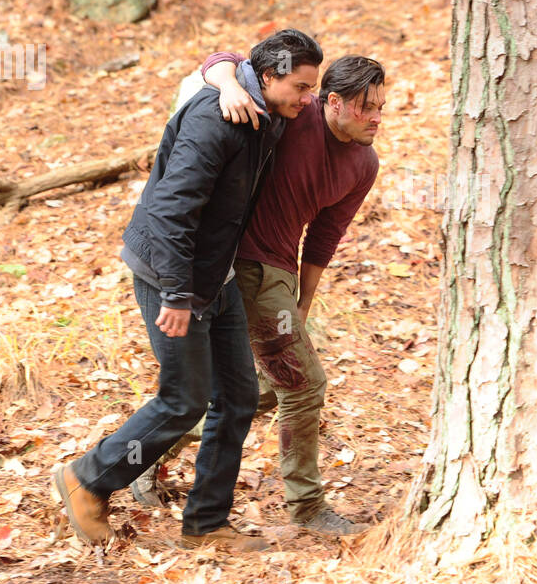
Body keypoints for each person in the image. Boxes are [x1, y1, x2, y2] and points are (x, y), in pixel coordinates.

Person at [52, 29, 323, 551]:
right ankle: (86, 479)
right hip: (169, 273)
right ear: (268, 77)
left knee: (239, 396)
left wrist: (225, 72)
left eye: (312, 88)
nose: (306, 98)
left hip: (215, 273)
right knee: (184, 399)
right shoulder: (215, 120)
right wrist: (177, 296)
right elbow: (170, 212)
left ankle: (206, 524)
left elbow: (224, 58)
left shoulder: (264, 108)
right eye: (301, 87)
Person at [131, 50, 384, 537]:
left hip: (280, 275)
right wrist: (227, 83)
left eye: (381, 108)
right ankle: (307, 507)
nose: (376, 118)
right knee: (304, 383)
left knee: (260, 389)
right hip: (245, 264)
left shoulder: (364, 164)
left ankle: (147, 454)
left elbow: (325, 236)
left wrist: (303, 302)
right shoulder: (294, 110)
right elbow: (224, 60)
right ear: (333, 102)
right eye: (364, 107)